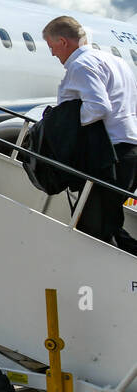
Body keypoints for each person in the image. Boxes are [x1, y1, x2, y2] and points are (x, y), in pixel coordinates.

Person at [42, 15, 137, 253]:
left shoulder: (81, 65)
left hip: (110, 155)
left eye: (52, 47)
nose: (53, 54)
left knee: (92, 231)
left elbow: (98, 107)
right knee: (107, 225)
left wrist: (65, 125)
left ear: (63, 42)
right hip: (129, 149)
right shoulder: (116, 61)